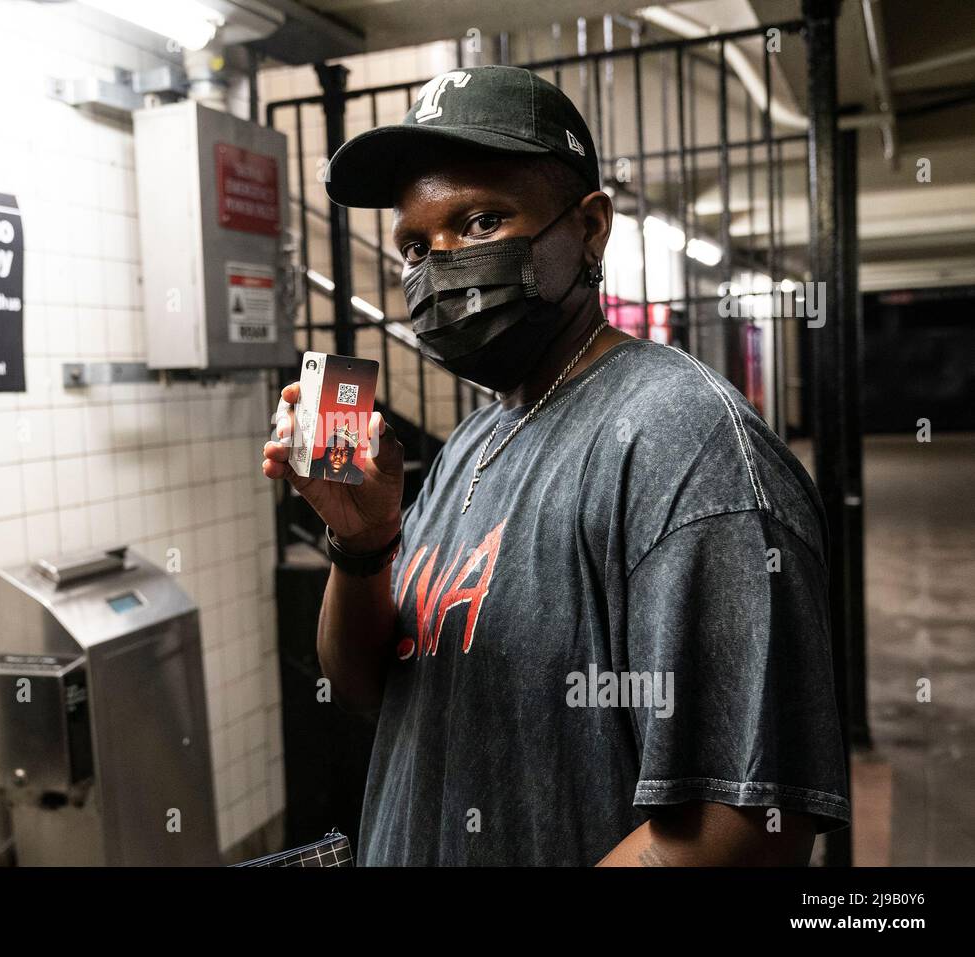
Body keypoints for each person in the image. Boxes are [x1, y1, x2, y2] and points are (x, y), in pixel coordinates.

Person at [261, 65, 849, 866]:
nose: (439, 267)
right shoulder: (475, 437)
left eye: (479, 223)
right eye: (413, 245)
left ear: (592, 229)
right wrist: (363, 545)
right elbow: (366, 686)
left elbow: (740, 827)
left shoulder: (684, 445)